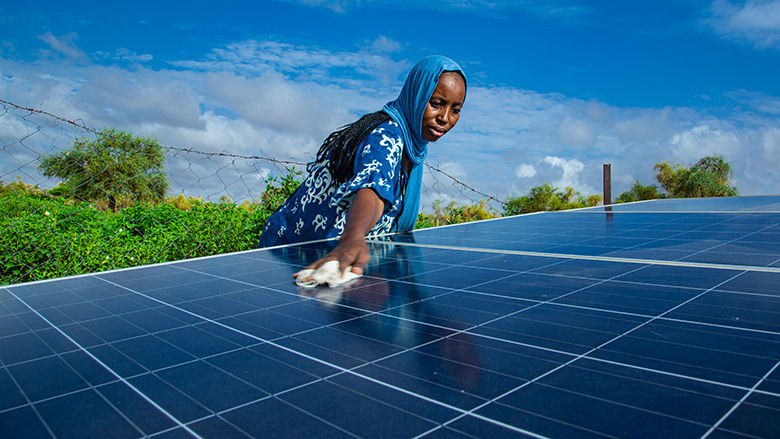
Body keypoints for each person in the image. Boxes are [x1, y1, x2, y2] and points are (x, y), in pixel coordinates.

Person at [258, 55, 467, 278]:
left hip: (330, 255)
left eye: (455, 109)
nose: (445, 118)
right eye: (436, 104)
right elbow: (373, 190)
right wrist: (355, 235)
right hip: (288, 252)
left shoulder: (413, 145)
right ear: (417, 94)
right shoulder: (386, 136)